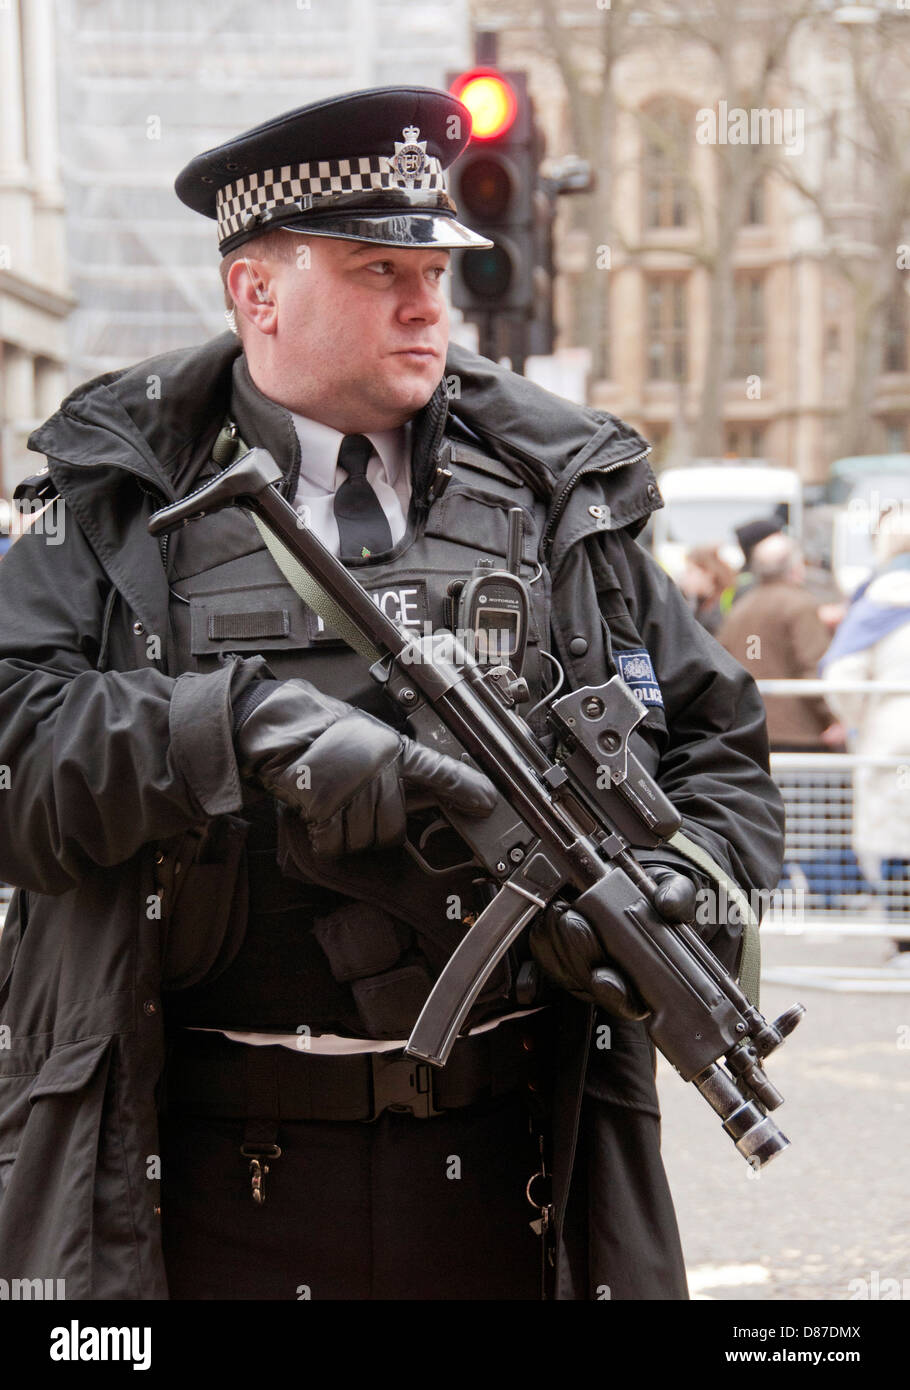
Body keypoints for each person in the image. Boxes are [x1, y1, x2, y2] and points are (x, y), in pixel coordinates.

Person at [0, 86, 784, 1301]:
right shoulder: (107, 492)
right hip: (199, 1180)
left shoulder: (560, 489)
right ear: (255, 291)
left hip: (505, 1172)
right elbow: (17, 747)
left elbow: (717, 743)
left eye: (438, 266)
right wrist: (233, 730)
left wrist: (681, 880)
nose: (428, 302)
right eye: (379, 269)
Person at [821, 509, 910, 962]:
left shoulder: (878, 600)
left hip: (894, 735)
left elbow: (843, 676)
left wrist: (857, 719)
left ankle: (905, 942)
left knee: (898, 844)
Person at [717, 532, 844, 753]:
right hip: (801, 733)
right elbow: (813, 667)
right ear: (795, 567)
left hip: (750, 731)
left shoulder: (741, 608)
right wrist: (833, 718)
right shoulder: (800, 605)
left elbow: (722, 662)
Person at [680, 546, 736, 634]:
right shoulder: (700, 603)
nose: (685, 577)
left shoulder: (724, 605)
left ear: (709, 572)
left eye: (690, 571)